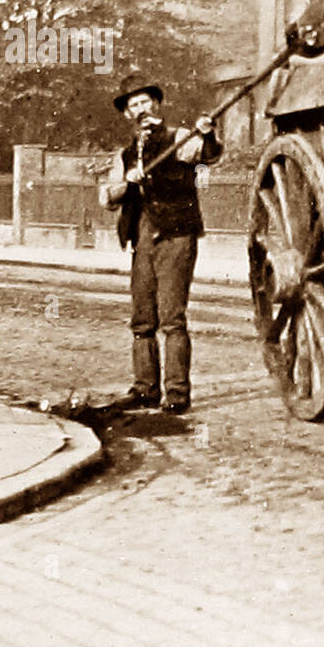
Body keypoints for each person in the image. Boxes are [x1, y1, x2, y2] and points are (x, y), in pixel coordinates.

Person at [99, 72, 222, 414]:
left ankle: (177, 393)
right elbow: (107, 197)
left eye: (145, 102)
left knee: (172, 318)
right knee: (142, 319)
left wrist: (207, 134)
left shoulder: (179, 138)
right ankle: (145, 389)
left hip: (175, 236)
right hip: (141, 240)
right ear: (128, 114)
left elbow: (207, 154)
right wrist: (128, 181)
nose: (140, 109)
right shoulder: (124, 155)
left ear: (156, 105)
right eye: (134, 105)